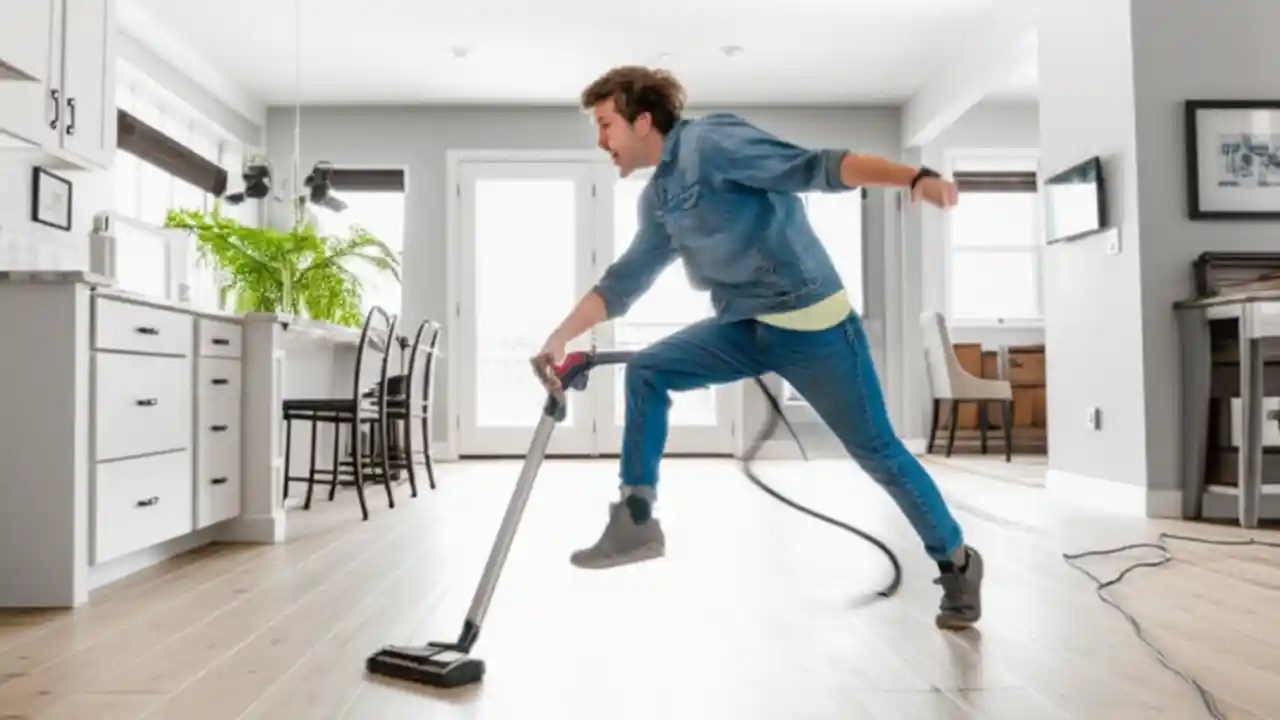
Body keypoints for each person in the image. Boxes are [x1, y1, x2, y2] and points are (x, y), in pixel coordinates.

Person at [531, 66, 982, 629]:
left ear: (643, 120)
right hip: (745, 329)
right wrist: (558, 337)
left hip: (817, 330)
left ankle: (957, 562)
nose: (601, 142)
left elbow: (815, 168)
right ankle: (636, 518)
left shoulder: (711, 142)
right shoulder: (660, 201)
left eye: (605, 124)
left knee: (879, 454)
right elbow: (623, 283)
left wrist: (914, 177)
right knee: (648, 371)